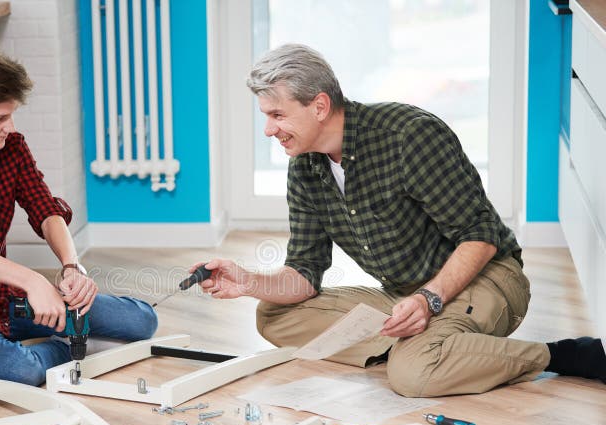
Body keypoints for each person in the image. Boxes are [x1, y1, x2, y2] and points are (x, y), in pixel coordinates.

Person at [193, 43, 605, 397]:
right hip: (406, 295)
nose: (268, 129)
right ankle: (427, 344)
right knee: (273, 315)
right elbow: (304, 273)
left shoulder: (408, 136)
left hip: (487, 278)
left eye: (277, 115)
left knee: (412, 376)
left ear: (319, 106)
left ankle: (561, 354)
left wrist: (429, 299)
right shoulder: (304, 169)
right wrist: (248, 282)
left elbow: (480, 235)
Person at [0, 41, 157, 386]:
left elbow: (45, 208)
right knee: (24, 371)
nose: (11, 126)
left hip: (4, 303)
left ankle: (65, 342)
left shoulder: (11, 148)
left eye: (12, 114)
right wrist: (34, 281)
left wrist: (70, 266)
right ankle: (72, 347)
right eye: (0, 118)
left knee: (141, 322)